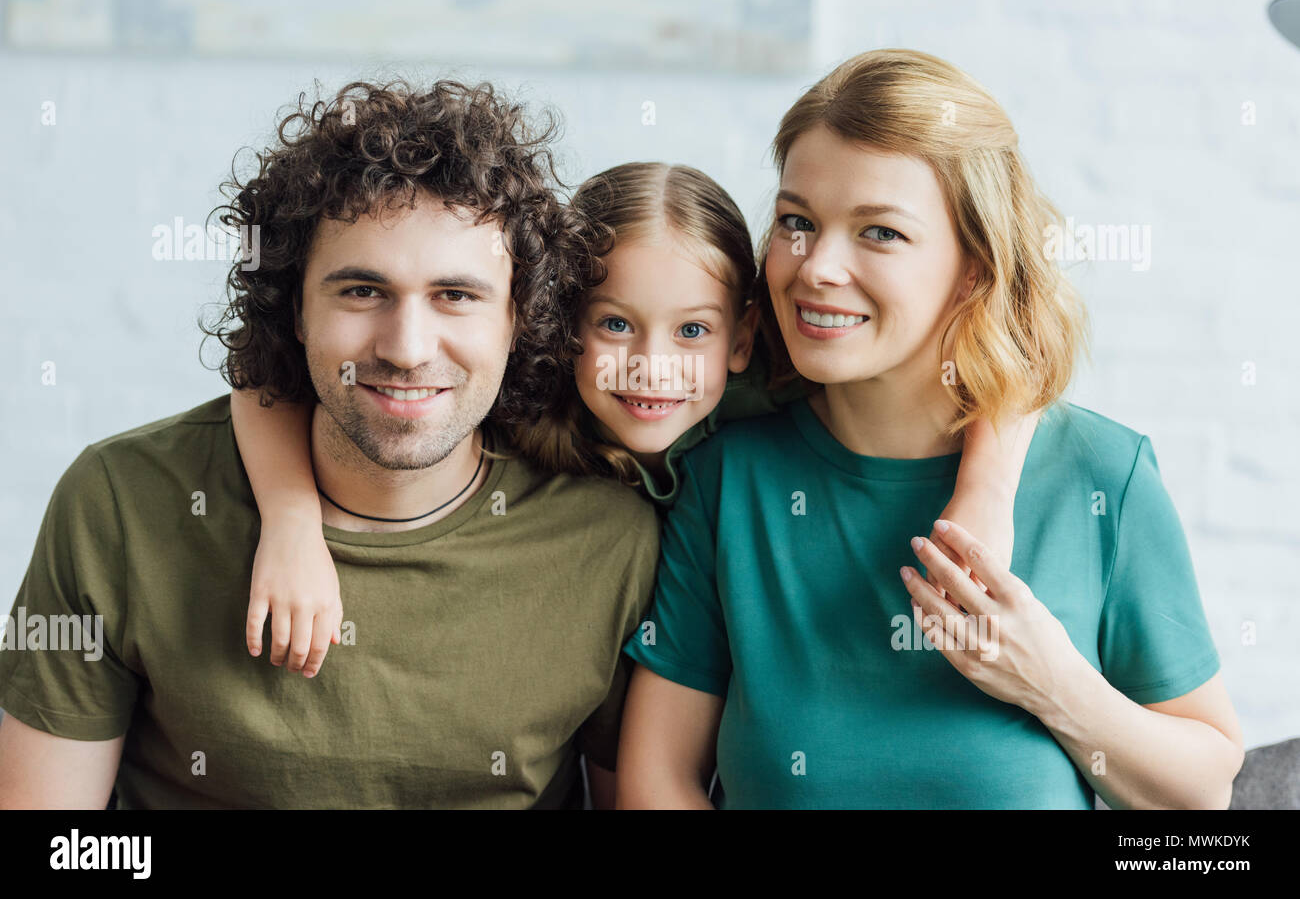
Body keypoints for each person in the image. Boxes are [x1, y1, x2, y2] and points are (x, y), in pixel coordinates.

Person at [0, 79, 659, 809]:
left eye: (456, 295)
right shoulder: (121, 504)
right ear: (296, 310)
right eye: (361, 291)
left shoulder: (609, 538)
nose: (407, 349)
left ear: (518, 319)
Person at [615, 49, 1245, 809]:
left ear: (975, 266)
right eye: (796, 222)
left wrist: (1050, 680)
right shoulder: (728, 476)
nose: (816, 267)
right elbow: (657, 782)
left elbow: (1205, 792)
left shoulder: (1103, 478)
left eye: (879, 232)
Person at [235, 161, 1039, 680]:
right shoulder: (499, 387)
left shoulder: (769, 390)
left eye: (692, 330)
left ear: (742, 335)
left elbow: (1022, 354)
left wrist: (986, 494)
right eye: (616, 324)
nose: (655, 368)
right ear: (558, 321)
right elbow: (260, 370)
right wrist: (292, 520)